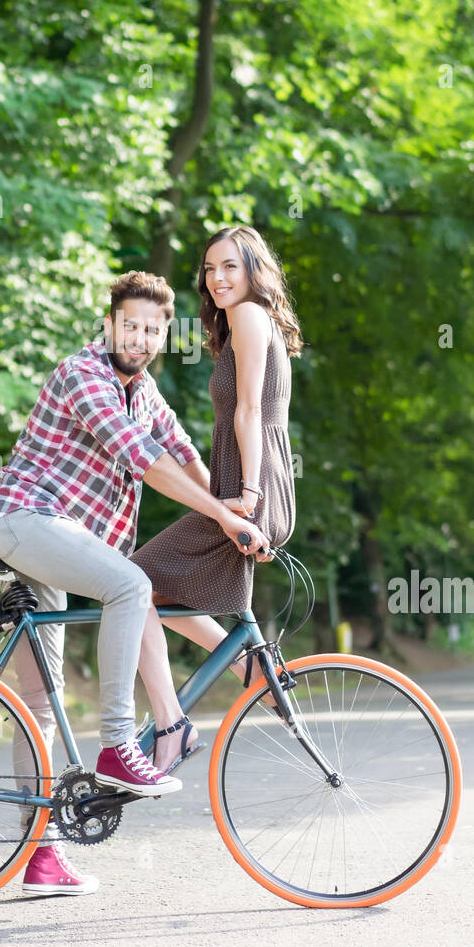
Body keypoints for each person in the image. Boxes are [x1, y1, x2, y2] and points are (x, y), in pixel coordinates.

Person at [0, 270, 270, 896]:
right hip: (25, 520)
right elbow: (141, 456)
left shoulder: (145, 389)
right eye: (129, 325)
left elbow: (181, 451)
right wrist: (219, 514)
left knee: (39, 707)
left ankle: (41, 857)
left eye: (151, 330)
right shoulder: (84, 375)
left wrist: (234, 510)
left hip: (61, 542)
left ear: (162, 336)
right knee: (131, 587)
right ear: (109, 325)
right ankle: (116, 746)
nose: (138, 337)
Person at [132, 227, 304, 772]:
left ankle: (171, 725)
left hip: (251, 490)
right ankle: (252, 674)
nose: (218, 278)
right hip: (237, 488)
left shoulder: (250, 315)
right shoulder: (237, 325)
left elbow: (249, 412)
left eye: (231, 266)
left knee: (129, 582)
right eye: (210, 269)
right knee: (147, 593)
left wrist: (245, 498)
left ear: (255, 270)